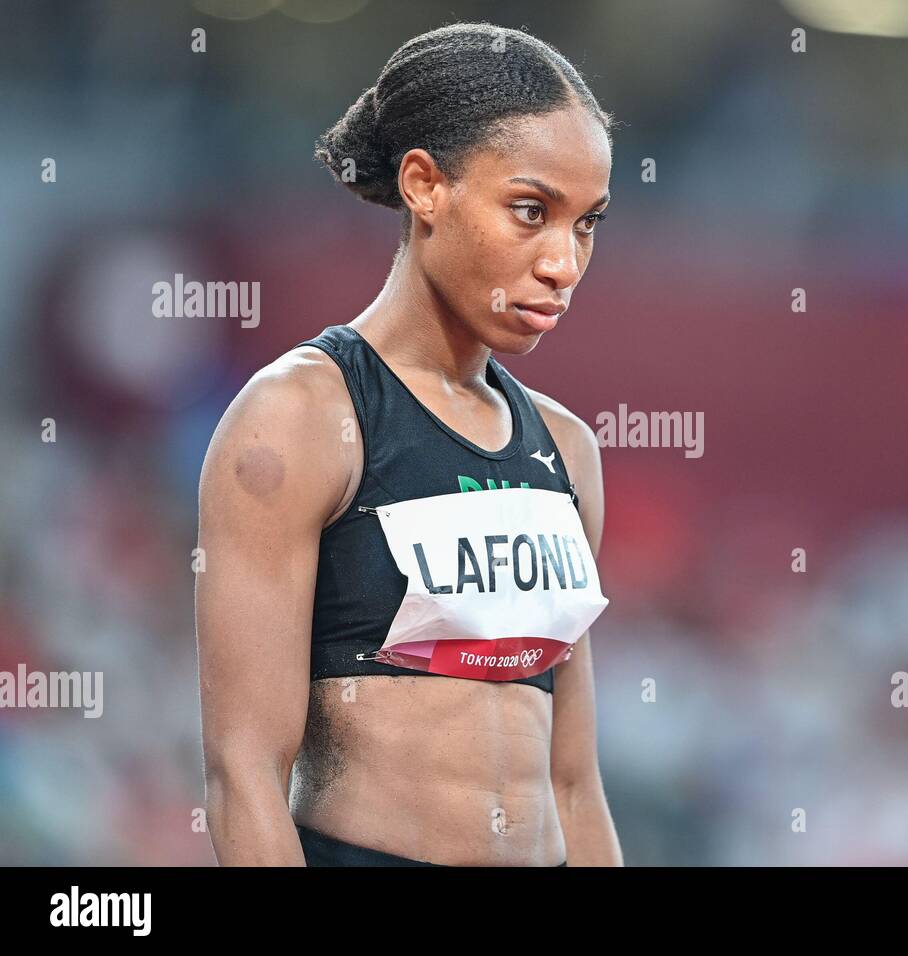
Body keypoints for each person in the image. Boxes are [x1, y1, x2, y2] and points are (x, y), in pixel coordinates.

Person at [195, 22, 622, 866]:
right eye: (531, 212)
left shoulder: (567, 451)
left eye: (586, 224)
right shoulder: (302, 419)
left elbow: (574, 782)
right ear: (425, 186)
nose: (564, 262)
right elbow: (243, 770)